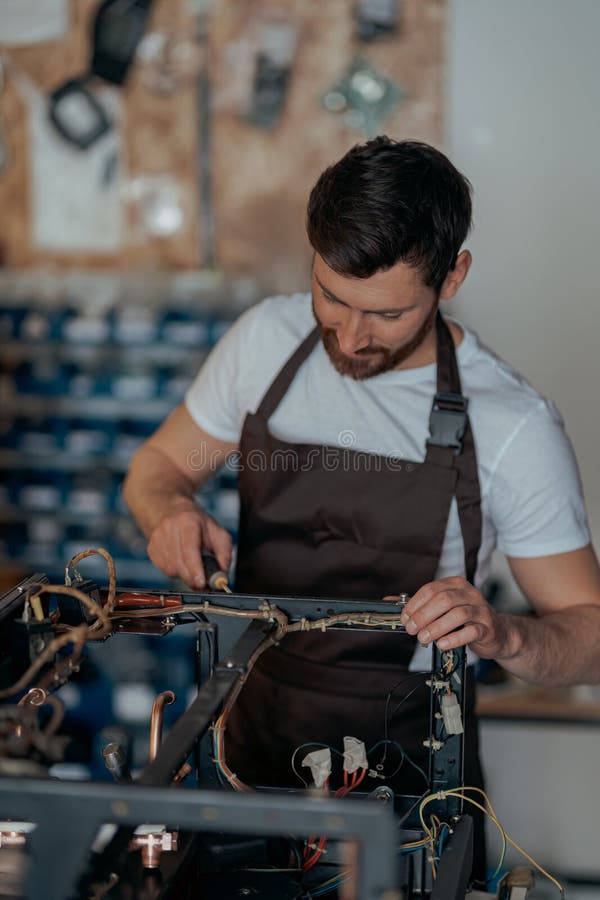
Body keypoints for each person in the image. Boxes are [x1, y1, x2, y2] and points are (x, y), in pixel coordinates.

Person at [123, 136, 600, 879]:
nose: (349, 337)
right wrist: (169, 513)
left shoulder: (511, 423)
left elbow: (589, 634)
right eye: (331, 297)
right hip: (249, 745)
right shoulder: (265, 343)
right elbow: (157, 468)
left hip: (409, 783)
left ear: (453, 277)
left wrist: (503, 634)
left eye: (384, 313)